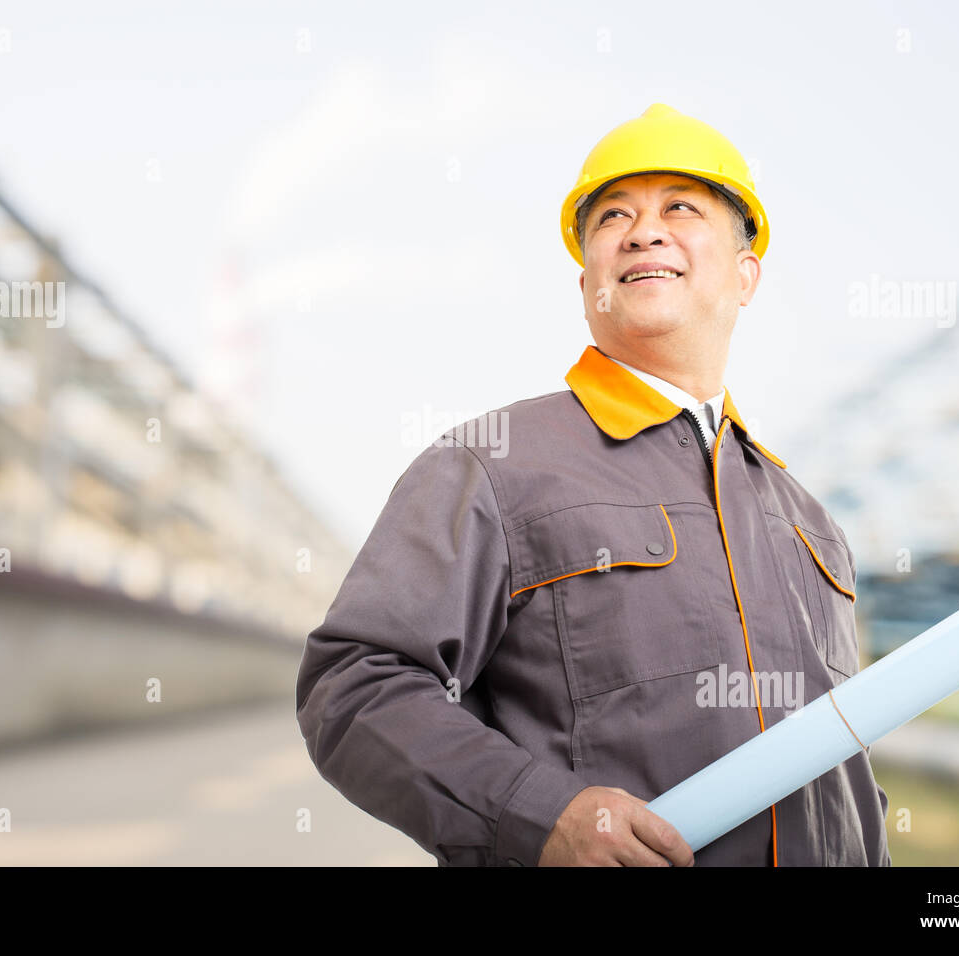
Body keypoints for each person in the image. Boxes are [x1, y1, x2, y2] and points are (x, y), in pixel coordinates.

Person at [295, 104, 891, 867]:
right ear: (589, 283)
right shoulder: (494, 464)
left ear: (747, 275)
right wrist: (540, 815)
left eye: (681, 206)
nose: (644, 230)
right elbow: (353, 686)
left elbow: (849, 774)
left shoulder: (808, 521)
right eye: (614, 216)